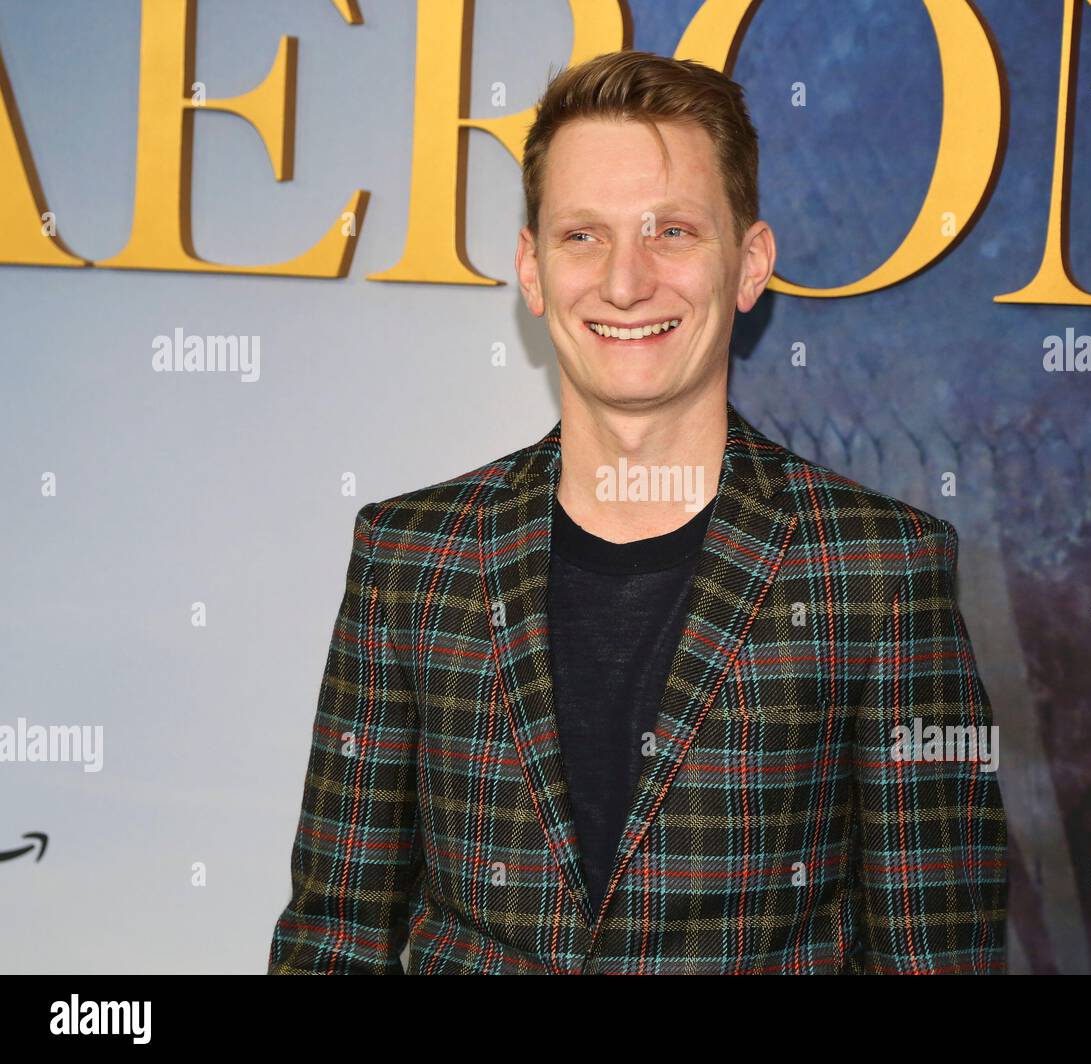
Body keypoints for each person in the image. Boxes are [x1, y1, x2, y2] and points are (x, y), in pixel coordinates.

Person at [267, 49, 1007, 975]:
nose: (625, 282)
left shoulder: (881, 571)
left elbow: (937, 958)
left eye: (673, 232)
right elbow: (335, 940)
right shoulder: (410, 560)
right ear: (532, 270)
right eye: (583, 235)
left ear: (750, 265)